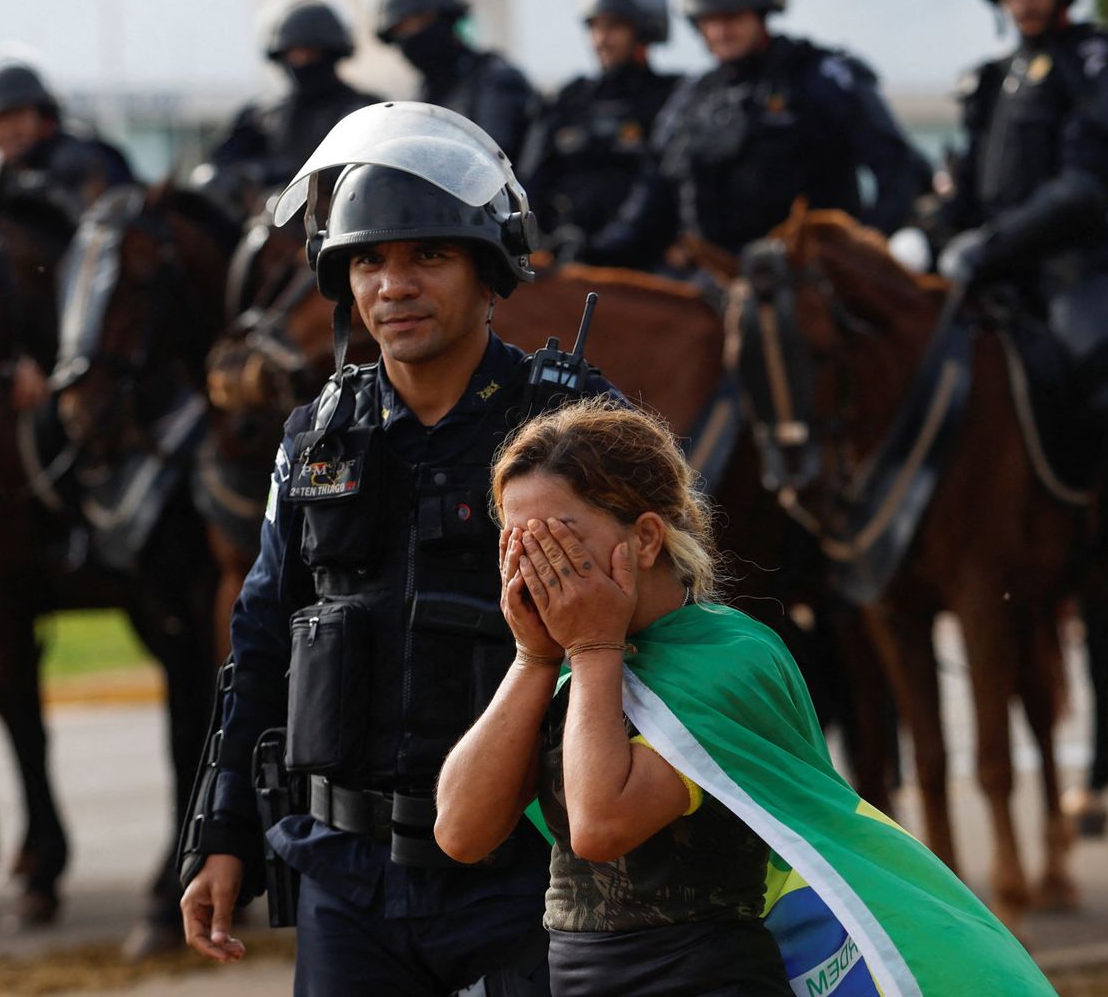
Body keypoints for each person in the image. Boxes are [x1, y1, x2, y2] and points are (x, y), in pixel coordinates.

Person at [175, 102, 616, 995]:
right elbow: (261, 638)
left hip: (528, 880)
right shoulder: (313, 439)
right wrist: (220, 834)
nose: (393, 286)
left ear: (487, 269)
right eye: (368, 261)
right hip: (346, 881)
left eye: (429, 255)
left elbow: (658, 642)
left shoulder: (573, 431)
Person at [434, 400, 1052, 997]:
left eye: (556, 538)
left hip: (710, 977)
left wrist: (594, 648)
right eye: (516, 544)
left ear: (645, 540)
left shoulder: (730, 656)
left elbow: (601, 825)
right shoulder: (571, 663)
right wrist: (533, 657)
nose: (534, 566)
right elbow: (460, 831)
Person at [934, 0, 1108, 602]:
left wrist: (988, 246)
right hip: (998, 270)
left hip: (1083, 265)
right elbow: (970, 184)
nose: (1025, 0)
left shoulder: (1106, 63)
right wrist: (935, 233)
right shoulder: (990, 77)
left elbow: (1085, 187)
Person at [583, 0, 927, 270]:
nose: (721, 31)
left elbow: (898, 170)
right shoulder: (691, 99)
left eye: (731, 16)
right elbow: (649, 204)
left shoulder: (820, 77)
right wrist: (588, 256)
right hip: (710, 287)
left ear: (760, 12)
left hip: (810, 285)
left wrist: (856, 254)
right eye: (709, 19)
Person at [521, 0, 683, 250]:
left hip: (647, 259)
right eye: (595, 27)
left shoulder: (672, 98)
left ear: (644, 30)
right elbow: (533, 179)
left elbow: (663, 184)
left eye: (613, 27)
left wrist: (610, 245)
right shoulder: (569, 99)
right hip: (567, 257)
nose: (601, 39)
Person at [198, 0, 382, 220]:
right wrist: (253, 175)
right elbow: (218, 168)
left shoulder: (366, 111)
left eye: (311, 52)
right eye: (294, 54)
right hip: (273, 224)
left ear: (333, 52)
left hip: (348, 222)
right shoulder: (263, 115)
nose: (303, 62)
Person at [367, 0, 539, 162]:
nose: (410, 36)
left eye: (419, 22)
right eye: (400, 31)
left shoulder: (495, 80)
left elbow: (489, 160)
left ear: (447, 17)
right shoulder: (425, 95)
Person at [0, 57, 137, 224]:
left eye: (17, 117)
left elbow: (103, 232)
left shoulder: (79, 157)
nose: (7, 131)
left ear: (43, 117)